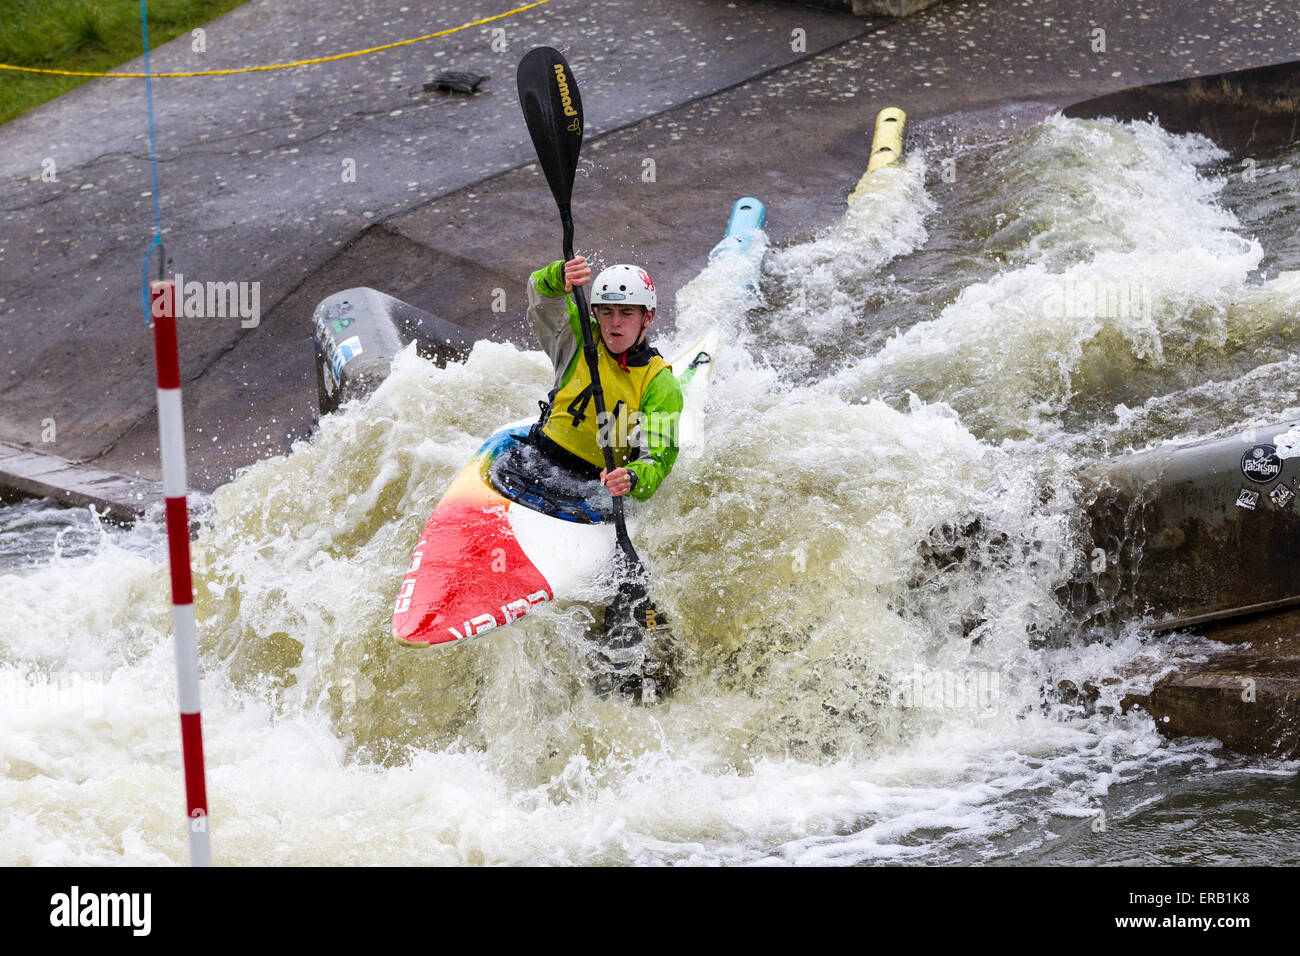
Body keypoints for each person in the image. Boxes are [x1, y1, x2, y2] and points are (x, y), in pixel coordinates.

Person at [520, 255, 683, 502]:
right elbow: (540, 296)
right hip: (536, 461)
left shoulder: (661, 383)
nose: (614, 323)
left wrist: (632, 477)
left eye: (626, 313)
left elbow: (657, 461)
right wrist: (559, 275)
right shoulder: (578, 337)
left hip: (593, 491)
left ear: (647, 318)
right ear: (595, 312)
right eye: (606, 312)